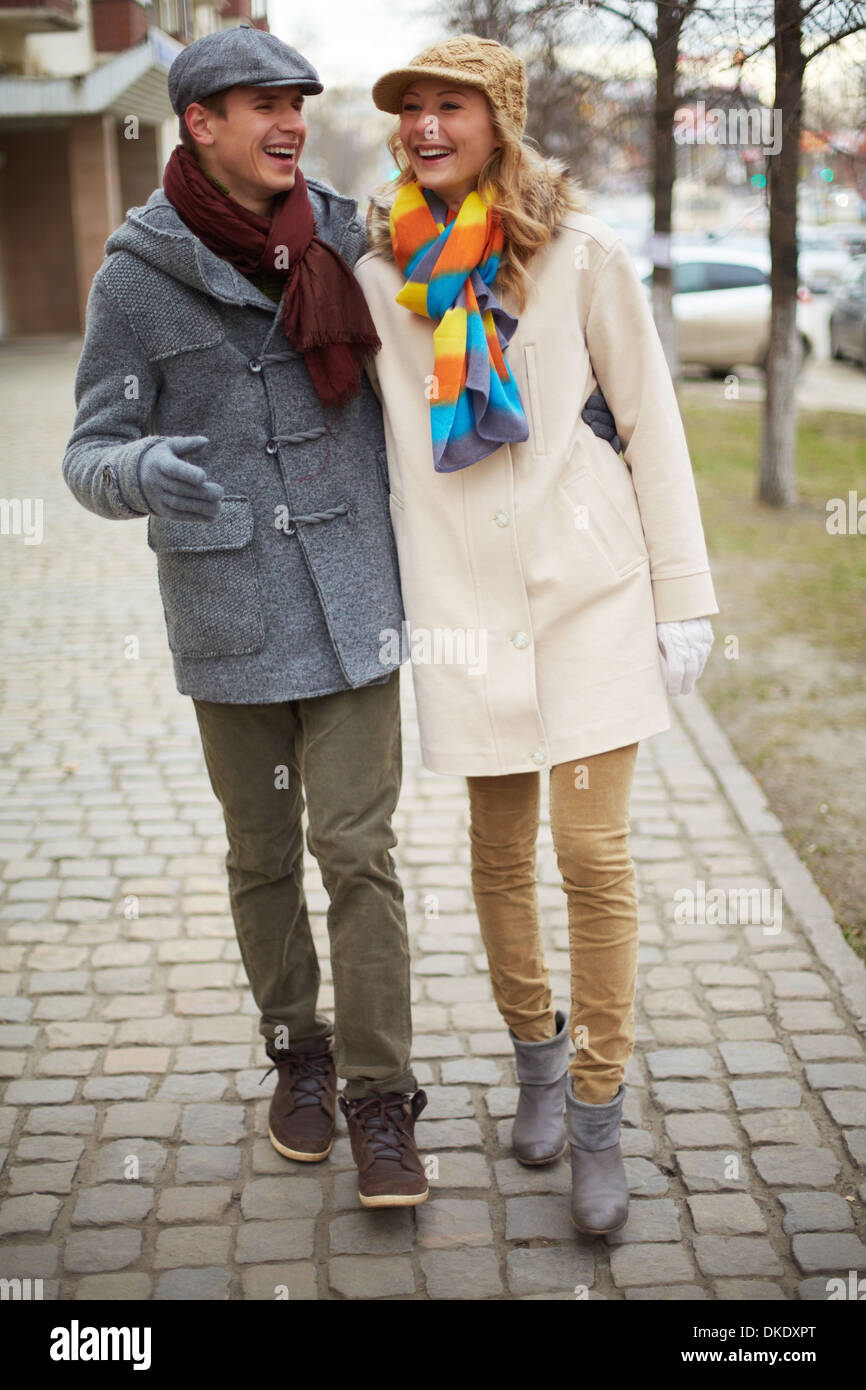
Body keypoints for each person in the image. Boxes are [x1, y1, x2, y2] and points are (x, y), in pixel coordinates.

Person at [60, 23, 436, 1209]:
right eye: (258, 104)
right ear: (199, 126)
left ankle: (382, 1096)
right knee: (262, 854)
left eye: (296, 103)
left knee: (357, 851)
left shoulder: (353, 235)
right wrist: (139, 468)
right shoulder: (132, 274)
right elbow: (90, 450)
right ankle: (299, 1055)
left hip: (354, 600)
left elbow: (458, 332)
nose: (287, 123)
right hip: (226, 607)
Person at [353, 35, 719, 1235]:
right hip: (460, 600)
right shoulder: (375, 275)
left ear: (496, 121)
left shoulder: (582, 256)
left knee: (592, 858)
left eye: (445, 106)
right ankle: (537, 1065)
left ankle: (601, 1113)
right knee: (498, 854)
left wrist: (683, 596)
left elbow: (653, 426)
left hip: (588, 593)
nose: (420, 125)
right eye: (406, 108)